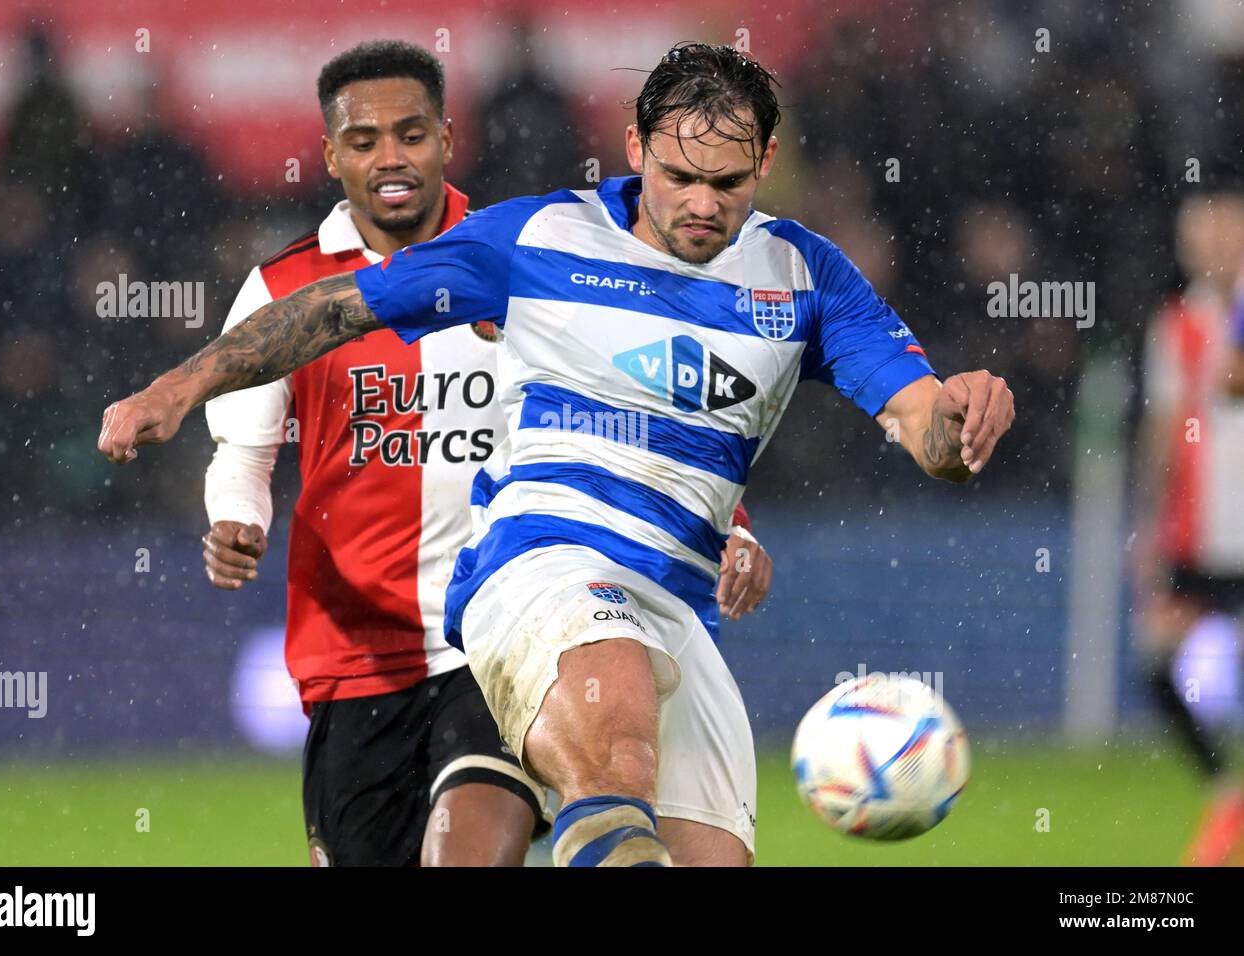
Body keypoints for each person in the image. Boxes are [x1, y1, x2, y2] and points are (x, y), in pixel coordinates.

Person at [99, 42, 1013, 867]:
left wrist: (962, 423)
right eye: (679, 175)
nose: (701, 203)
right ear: (634, 146)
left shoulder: (804, 276)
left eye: (728, 183)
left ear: (767, 164)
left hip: (680, 601)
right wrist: (177, 388)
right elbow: (335, 308)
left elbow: (925, 429)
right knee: (614, 759)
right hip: (540, 567)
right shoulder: (538, 238)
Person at [199, 40, 771, 867]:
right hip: (354, 659)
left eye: (411, 134)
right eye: (364, 142)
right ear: (331, 155)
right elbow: (242, 456)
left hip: (506, 620)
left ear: (446, 137)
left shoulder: (532, 260)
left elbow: (646, 415)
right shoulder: (284, 292)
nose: (390, 158)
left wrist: (735, 525)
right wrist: (235, 519)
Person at [1134, 193, 1244, 866]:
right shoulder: (1175, 326)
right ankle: (1225, 789)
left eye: (1223, 231)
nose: (1211, 245)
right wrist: (1150, 525)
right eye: (1198, 236)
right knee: (1156, 667)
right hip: (1200, 532)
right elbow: (1164, 428)